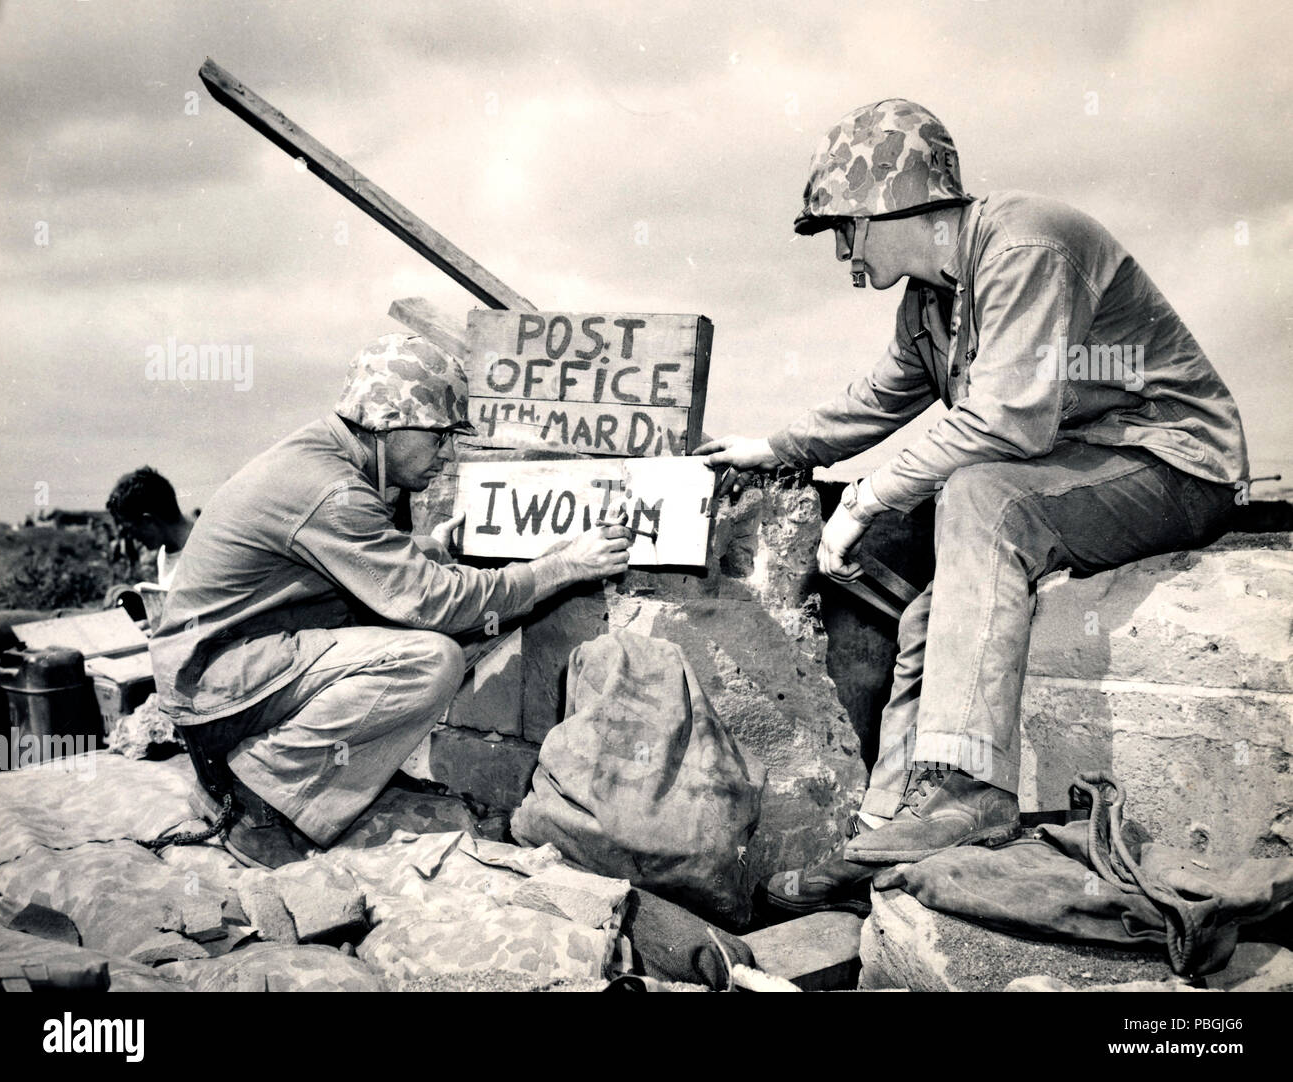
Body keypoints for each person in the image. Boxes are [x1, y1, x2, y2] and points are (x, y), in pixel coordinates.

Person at [696, 98, 1249, 913]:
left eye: (845, 227)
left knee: (979, 500)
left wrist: (864, 501)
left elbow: (1006, 418)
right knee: (937, 608)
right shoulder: (931, 300)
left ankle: (968, 791)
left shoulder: (1025, 245)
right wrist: (776, 447)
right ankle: (884, 829)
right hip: (1083, 466)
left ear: (891, 203)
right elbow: (878, 400)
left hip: (1172, 461)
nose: (842, 249)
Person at [149, 333, 631, 869]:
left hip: (227, 670)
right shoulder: (333, 489)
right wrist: (560, 568)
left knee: (463, 628)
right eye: (437, 436)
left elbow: (355, 559)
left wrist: (431, 548)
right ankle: (256, 809)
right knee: (431, 656)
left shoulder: (326, 460)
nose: (447, 454)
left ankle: (291, 778)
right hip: (214, 689)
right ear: (387, 422)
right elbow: (430, 602)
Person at [106, 467, 195, 588]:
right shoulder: (164, 554)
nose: (131, 537)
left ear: (148, 521)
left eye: (130, 529)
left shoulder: (206, 551)